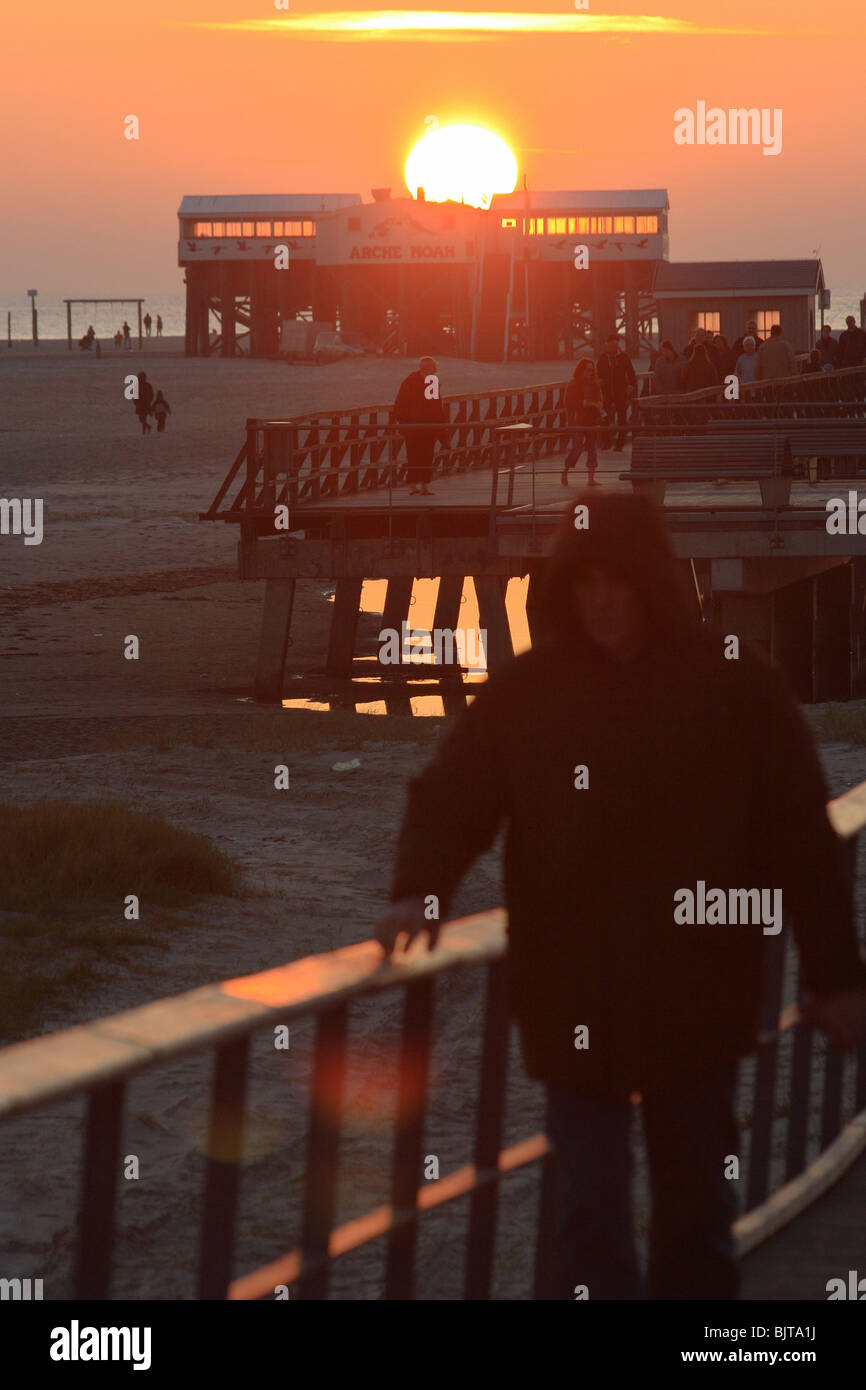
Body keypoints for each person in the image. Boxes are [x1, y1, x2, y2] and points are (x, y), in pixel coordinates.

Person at [376, 493, 866, 1301]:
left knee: (695, 1216)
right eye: (587, 583)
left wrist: (836, 975)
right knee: (588, 1215)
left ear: (653, 585)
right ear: (567, 589)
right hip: (572, 994)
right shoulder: (532, 691)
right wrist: (418, 890)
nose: (602, 601)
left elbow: (802, 843)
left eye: (620, 582)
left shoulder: (735, 687)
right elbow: (454, 796)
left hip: (700, 1000)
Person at [393, 356, 448, 496]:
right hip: (413, 426)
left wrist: (440, 423)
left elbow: (436, 404)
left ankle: (423, 485)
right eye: (431, 369)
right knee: (414, 456)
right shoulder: (409, 382)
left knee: (427, 456)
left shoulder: (432, 382)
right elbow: (401, 404)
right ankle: (412, 485)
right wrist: (404, 423)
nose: (433, 372)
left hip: (428, 426)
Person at [561, 359, 603, 487]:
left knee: (592, 449)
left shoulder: (595, 385)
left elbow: (600, 400)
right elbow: (567, 403)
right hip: (577, 420)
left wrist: (598, 405)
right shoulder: (573, 384)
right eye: (588, 370)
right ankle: (565, 471)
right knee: (577, 448)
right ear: (581, 370)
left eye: (592, 370)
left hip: (592, 420)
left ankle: (591, 479)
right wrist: (582, 404)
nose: (591, 372)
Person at [596, 334, 636, 451]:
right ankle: (606, 442)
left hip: (620, 392)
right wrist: (598, 381)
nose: (612, 347)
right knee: (605, 418)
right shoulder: (603, 358)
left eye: (614, 344)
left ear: (617, 344)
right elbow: (597, 373)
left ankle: (620, 443)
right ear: (606, 345)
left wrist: (631, 385)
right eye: (610, 345)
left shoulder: (623, 357)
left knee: (622, 418)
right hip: (606, 392)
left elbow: (631, 373)